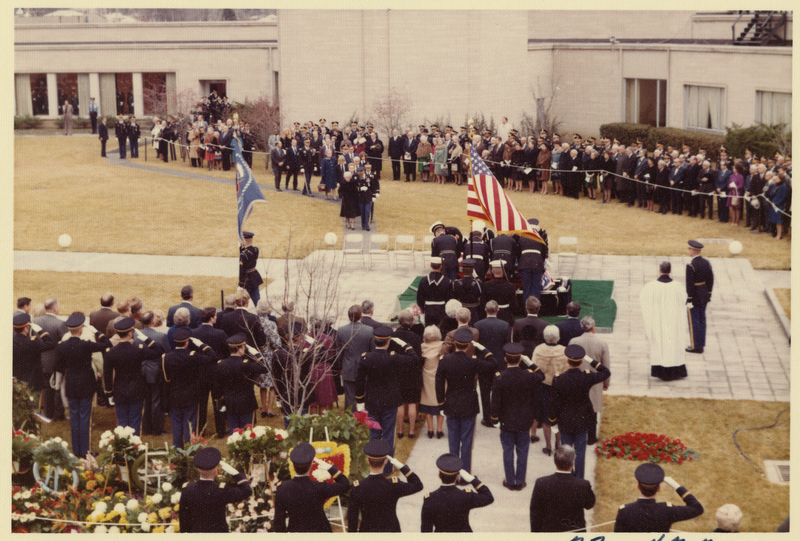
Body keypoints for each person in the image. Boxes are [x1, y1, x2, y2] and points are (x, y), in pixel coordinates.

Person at [356, 326, 419, 474]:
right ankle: (387, 469)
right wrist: (404, 344)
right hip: (390, 402)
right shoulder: (393, 357)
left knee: (374, 435)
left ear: (374, 341)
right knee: (389, 436)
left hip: (372, 401)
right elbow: (415, 359)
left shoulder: (366, 357)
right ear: (388, 342)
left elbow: (359, 381)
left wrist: (359, 402)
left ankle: (374, 467)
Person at [436, 327, 496, 475]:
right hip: (469, 404)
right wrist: (484, 349)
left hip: (451, 403)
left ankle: (453, 472)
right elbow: (493, 364)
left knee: (453, 441)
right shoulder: (473, 362)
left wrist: (441, 403)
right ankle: (465, 474)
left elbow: (438, 383)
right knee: (467, 442)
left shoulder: (445, 361)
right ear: (469, 345)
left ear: (454, 344)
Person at [53, 313, 111, 459]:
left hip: (71, 383)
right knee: (84, 418)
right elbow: (107, 344)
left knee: (74, 417)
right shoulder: (85, 344)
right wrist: (97, 332)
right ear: (80, 330)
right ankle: (85, 451)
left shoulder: (63, 346)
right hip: (86, 383)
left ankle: (77, 451)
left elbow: (58, 365)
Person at [550, 344, 610, 479]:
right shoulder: (586, 377)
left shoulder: (558, 379)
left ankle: (567, 477)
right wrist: (591, 360)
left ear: (567, 361)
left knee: (566, 452)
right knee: (580, 452)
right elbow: (606, 372)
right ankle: (579, 479)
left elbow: (554, 403)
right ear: (581, 361)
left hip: (565, 419)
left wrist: (553, 421)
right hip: (582, 419)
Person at [490, 342, 544, 490]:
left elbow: (495, 401)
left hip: (506, 420)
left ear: (505, 359)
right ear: (520, 359)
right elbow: (541, 375)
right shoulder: (528, 375)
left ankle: (510, 481)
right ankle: (520, 481)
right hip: (524, 419)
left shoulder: (500, 377)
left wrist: (494, 418)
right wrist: (530, 363)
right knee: (522, 450)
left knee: (507, 450)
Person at [104, 318, 165, 435]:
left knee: (122, 422)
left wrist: (109, 392)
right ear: (130, 333)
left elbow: (107, 374)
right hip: (136, 389)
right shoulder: (138, 350)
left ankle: (123, 448)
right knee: (135, 421)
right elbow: (159, 351)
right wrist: (147, 339)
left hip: (119, 390)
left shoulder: (111, 352)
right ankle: (134, 448)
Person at [347, 440, 423, 532]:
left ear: (368, 461)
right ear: (386, 461)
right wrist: (402, 467)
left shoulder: (358, 487)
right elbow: (418, 485)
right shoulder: (393, 485)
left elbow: (352, 517)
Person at [273, 442, 351, 532]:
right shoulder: (319, 487)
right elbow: (345, 485)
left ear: (293, 466)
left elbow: (279, 522)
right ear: (311, 465)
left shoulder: (282, 489)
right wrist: (331, 468)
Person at [162, 327, 216, 448]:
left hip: (174, 396)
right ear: (187, 342)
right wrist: (202, 345)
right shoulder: (192, 356)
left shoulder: (166, 357)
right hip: (191, 396)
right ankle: (190, 451)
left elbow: (166, 380)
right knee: (190, 426)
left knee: (176, 427)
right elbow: (213, 357)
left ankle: (177, 452)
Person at [179, 447, 252, 532]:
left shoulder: (187, 489)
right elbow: (247, 491)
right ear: (216, 470)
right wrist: (236, 474)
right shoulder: (221, 490)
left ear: (198, 469)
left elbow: (183, 521)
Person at [615, 463, 704, 532]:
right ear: (658, 488)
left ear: (638, 486)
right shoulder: (666, 510)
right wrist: (675, 485)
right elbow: (697, 508)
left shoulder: (625, 511)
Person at [640, 261, 689, 380]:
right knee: (674, 345)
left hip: (658, 323)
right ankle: (676, 371)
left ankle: (662, 371)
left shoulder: (651, 287)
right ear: (670, 271)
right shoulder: (678, 286)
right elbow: (684, 300)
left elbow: (644, 303)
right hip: (674, 322)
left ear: (659, 270)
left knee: (660, 345)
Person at [529, 444, 596, 532]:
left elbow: (535, 513)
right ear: (572, 465)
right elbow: (589, 504)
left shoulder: (541, 483)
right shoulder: (583, 485)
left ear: (555, 462)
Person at [420, 453, 494, 532]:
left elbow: (426, 530)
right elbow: (488, 497)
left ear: (439, 476)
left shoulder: (430, 499)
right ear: (457, 477)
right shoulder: (466, 496)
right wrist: (473, 479)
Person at [568, 316, 610, 444]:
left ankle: (578, 434)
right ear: (593, 327)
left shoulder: (573, 341)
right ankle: (591, 437)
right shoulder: (602, 343)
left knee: (577, 407)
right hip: (595, 380)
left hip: (576, 379)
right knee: (593, 410)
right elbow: (606, 365)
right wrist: (606, 383)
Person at [214, 334, 267, 433]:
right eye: (244, 347)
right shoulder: (245, 364)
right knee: (247, 433)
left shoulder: (221, 364)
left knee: (233, 432)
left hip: (230, 403)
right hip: (246, 403)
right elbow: (265, 368)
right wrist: (256, 353)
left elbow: (217, 386)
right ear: (239, 350)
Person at [530, 325, 566, 454]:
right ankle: (558, 443)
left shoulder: (538, 349)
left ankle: (548, 445)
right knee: (557, 417)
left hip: (543, 386)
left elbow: (533, 367)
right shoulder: (563, 350)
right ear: (558, 336)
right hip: (558, 388)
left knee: (546, 418)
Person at [335, 304, 375, 410]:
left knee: (349, 398)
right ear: (361, 315)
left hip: (348, 367)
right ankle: (364, 420)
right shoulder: (370, 330)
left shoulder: (341, 330)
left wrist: (340, 367)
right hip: (364, 368)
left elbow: (338, 352)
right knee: (365, 396)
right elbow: (372, 352)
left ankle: (349, 422)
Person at [393, 310, 424, 439]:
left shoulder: (394, 336)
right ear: (412, 322)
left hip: (398, 374)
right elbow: (419, 358)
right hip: (413, 374)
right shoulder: (416, 337)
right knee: (412, 403)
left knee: (400, 403)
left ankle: (400, 430)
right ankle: (411, 431)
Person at [686, 240, 713, 354]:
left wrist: (689, 299)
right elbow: (710, 279)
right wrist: (709, 293)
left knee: (694, 321)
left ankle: (696, 346)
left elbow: (690, 285)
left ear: (692, 251)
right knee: (702, 320)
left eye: (689, 249)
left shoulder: (691, 266)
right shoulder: (706, 262)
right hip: (704, 293)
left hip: (695, 296)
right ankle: (701, 344)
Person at [419, 325, 445, 439]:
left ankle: (430, 429)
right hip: (440, 377)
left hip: (426, 377)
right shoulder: (442, 345)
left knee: (427, 403)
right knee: (440, 402)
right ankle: (439, 430)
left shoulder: (422, 347)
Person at [416, 257, 452, 328]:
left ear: (430, 265)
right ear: (441, 267)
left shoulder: (423, 280)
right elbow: (449, 299)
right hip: (442, 311)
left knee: (429, 333)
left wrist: (423, 311)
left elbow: (419, 299)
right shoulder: (447, 281)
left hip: (428, 311)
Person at [238, 231, 263, 306]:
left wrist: (241, 284)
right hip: (254, 276)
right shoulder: (256, 249)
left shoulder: (243, 254)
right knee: (257, 300)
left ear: (245, 240)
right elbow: (250, 257)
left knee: (242, 301)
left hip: (247, 280)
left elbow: (242, 270)